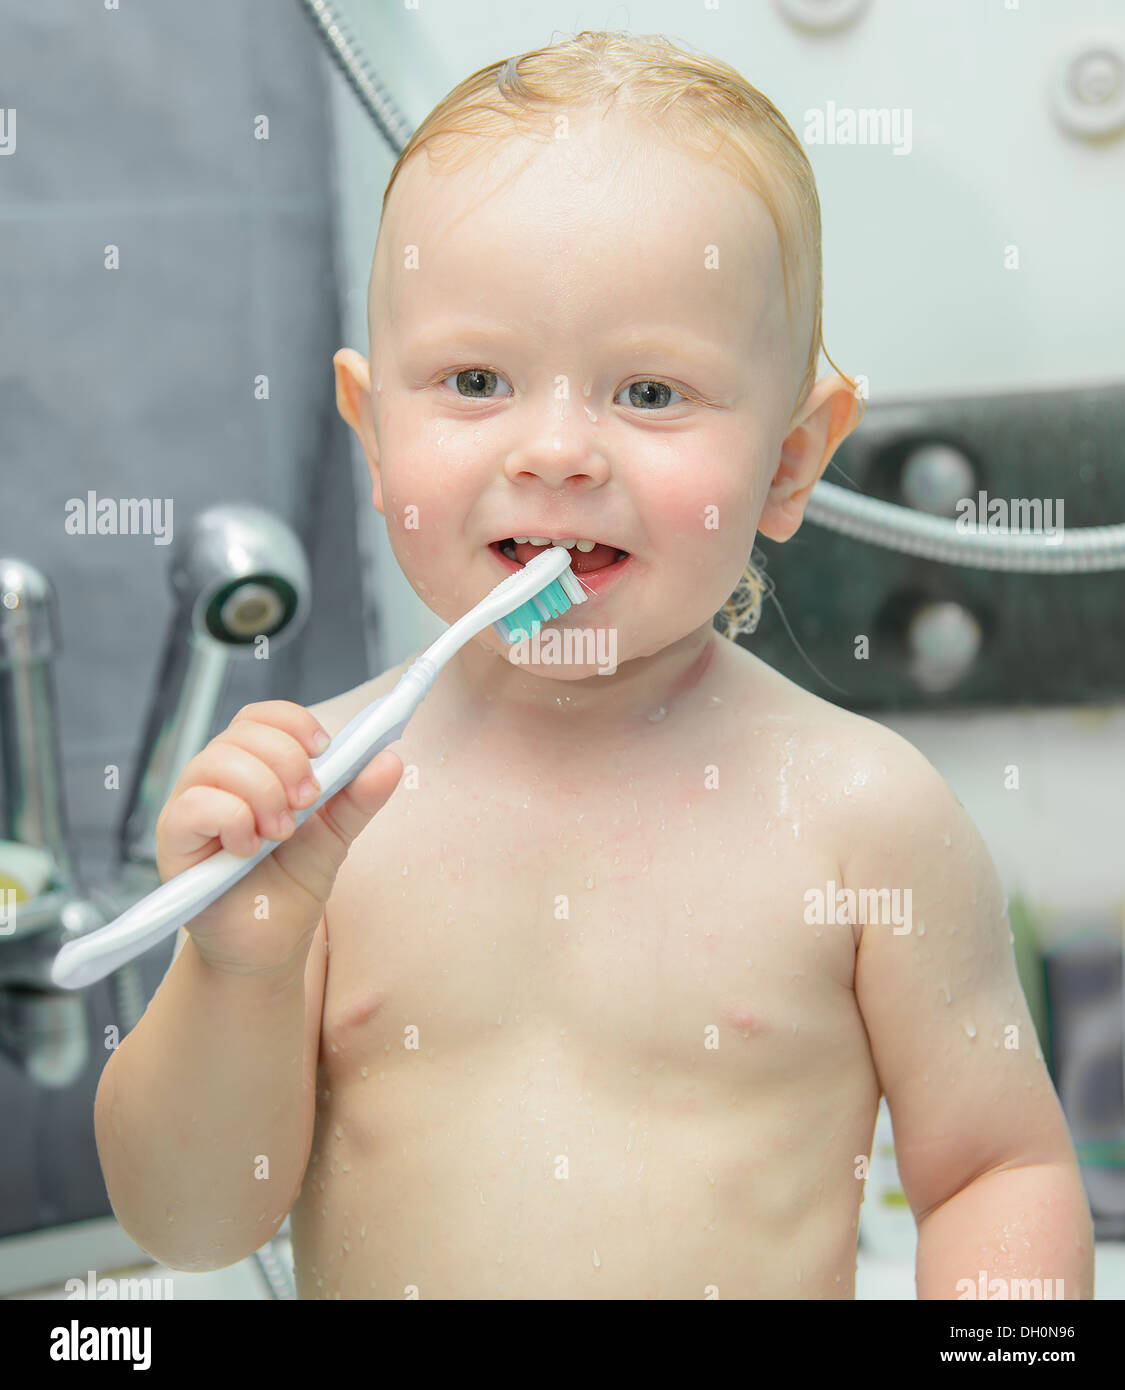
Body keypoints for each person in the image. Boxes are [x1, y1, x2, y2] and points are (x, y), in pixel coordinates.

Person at [96, 31, 1092, 1299]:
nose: (558, 449)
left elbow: (995, 1173)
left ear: (790, 461)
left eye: (652, 392)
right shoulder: (322, 812)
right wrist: (237, 967)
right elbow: (190, 1226)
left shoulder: (864, 818)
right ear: (373, 434)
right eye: (474, 379)